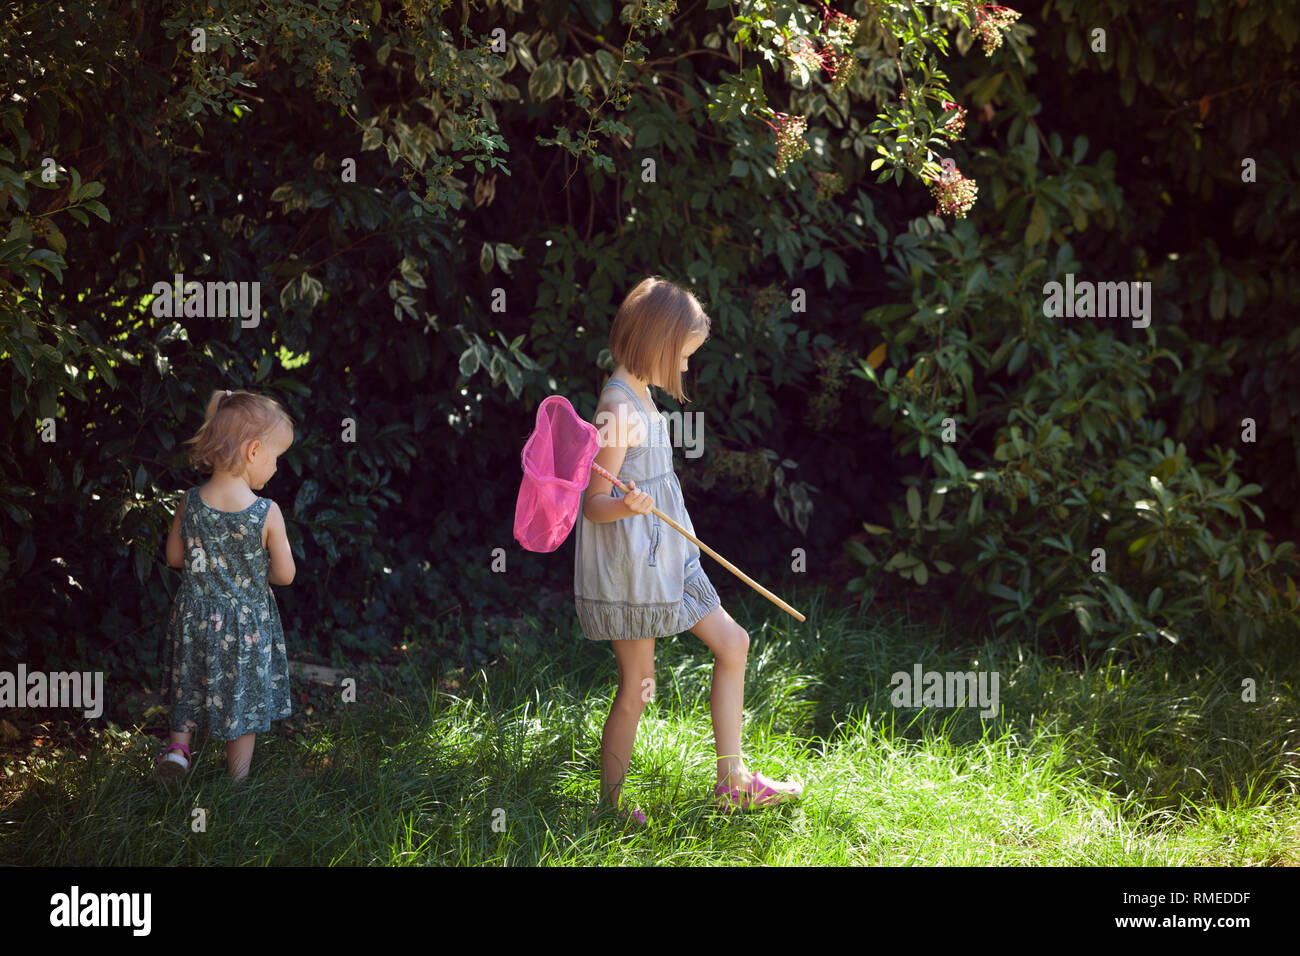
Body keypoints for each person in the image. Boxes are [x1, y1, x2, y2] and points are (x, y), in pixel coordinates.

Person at [574, 276, 805, 827]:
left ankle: (732, 783)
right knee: (639, 687)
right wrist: (626, 506)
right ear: (655, 342)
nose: (682, 368)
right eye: (681, 355)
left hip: (672, 554)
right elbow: (592, 503)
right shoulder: (616, 407)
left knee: (735, 643)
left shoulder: (642, 392)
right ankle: (608, 806)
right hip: (634, 566)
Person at [153, 388, 297, 782]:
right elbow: (285, 575)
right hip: (244, 629)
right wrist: (253, 573)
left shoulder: (191, 501)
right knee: (243, 697)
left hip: (195, 617)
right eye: (276, 458)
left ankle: (179, 749)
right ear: (253, 452)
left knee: (189, 684)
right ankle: (236, 779)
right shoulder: (266, 513)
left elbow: (175, 558)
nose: (276, 467)